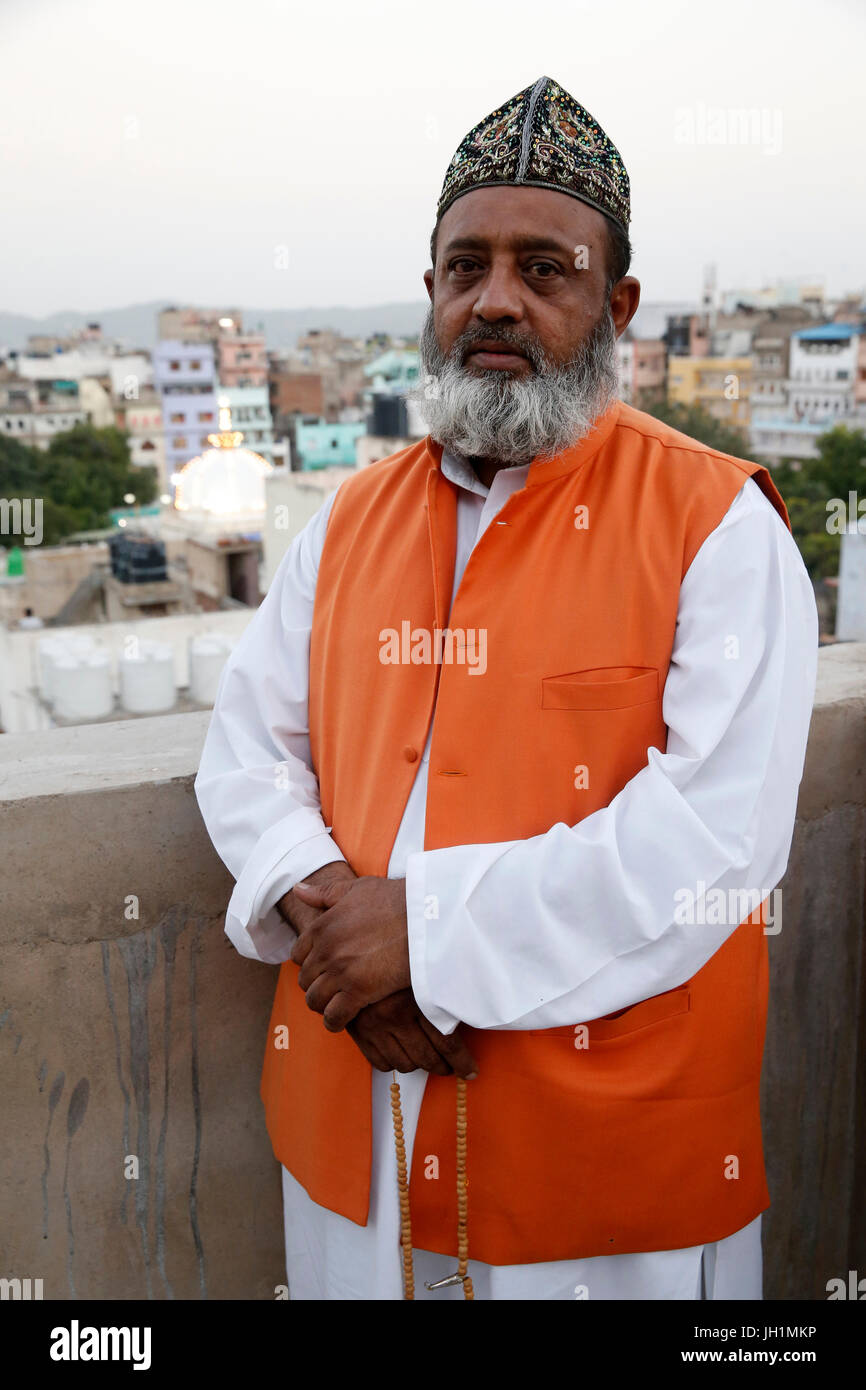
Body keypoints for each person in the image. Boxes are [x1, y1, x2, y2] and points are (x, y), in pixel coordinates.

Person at [195, 75, 818, 1301]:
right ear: (428, 288)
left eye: (544, 268)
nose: (496, 299)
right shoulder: (350, 517)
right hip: (353, 1122)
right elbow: (248, 750)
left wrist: (423, 935)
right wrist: (336, 927)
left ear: (614, 302)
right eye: (464, 264)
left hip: (603, 1173)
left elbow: (709, 840)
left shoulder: (714, 525)